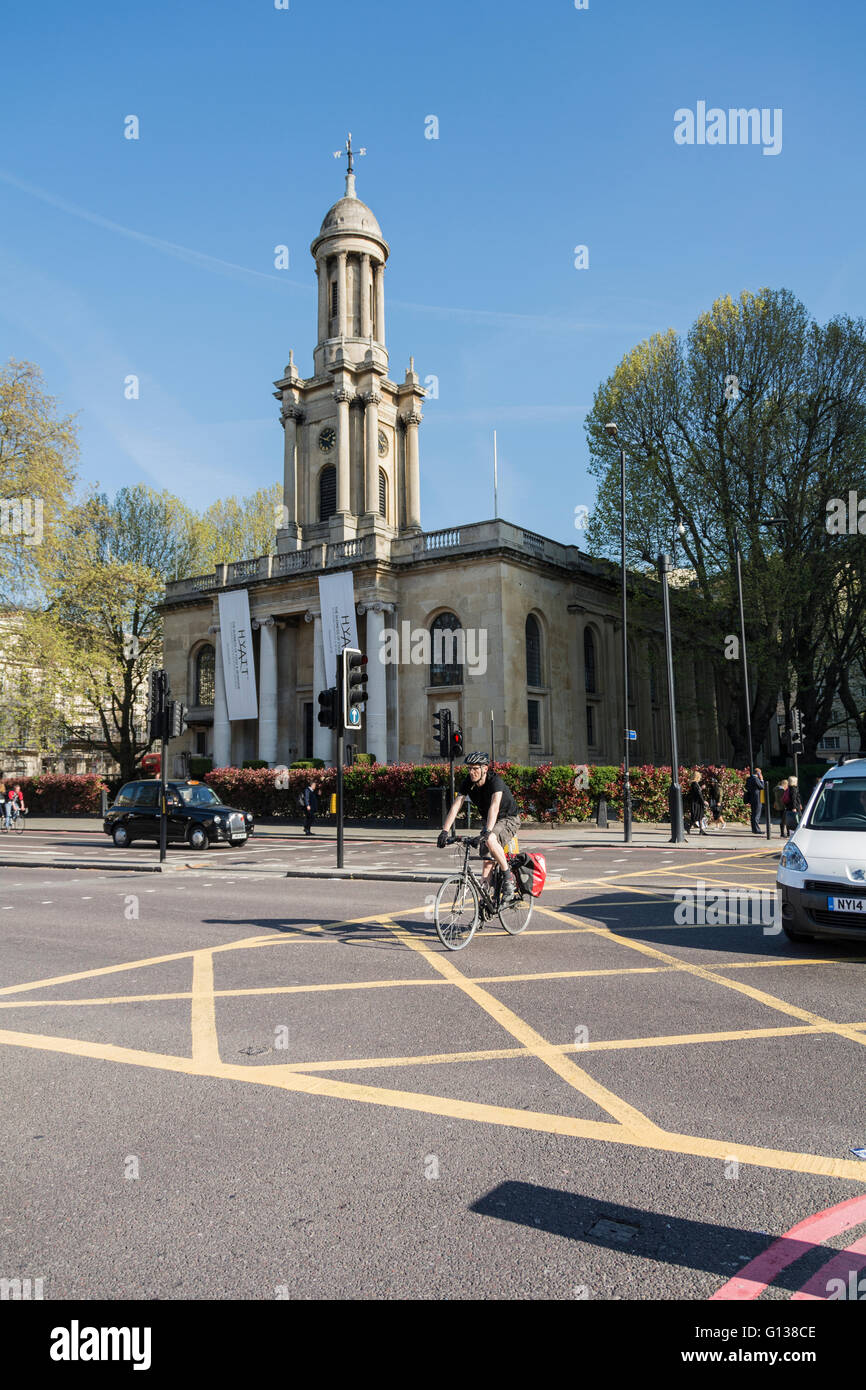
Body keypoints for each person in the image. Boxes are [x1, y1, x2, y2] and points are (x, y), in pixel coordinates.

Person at [437, 752, 520, 905]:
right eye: (469, 768)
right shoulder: (468, 782)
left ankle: (508, 878)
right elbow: (456, 805)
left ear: (485, 769)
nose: (471, 772)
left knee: (490, 839)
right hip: (491, 822)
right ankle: (485, 902)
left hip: (508, 819)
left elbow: (494, 807)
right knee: (487, 859)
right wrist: (444, 831)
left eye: (475, 768)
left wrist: (487, 832)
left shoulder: (495, 781)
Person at [744, 765, 764, 834]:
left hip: (752, 798)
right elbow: (762, 787)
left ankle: (754, 829)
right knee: (757, 814)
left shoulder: (749, 778)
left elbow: (746, 787)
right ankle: (757, 830)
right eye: (760, 773)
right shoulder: (755, 779)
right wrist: (761, 779)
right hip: (757, 798)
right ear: (758, 773)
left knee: (753, 814)